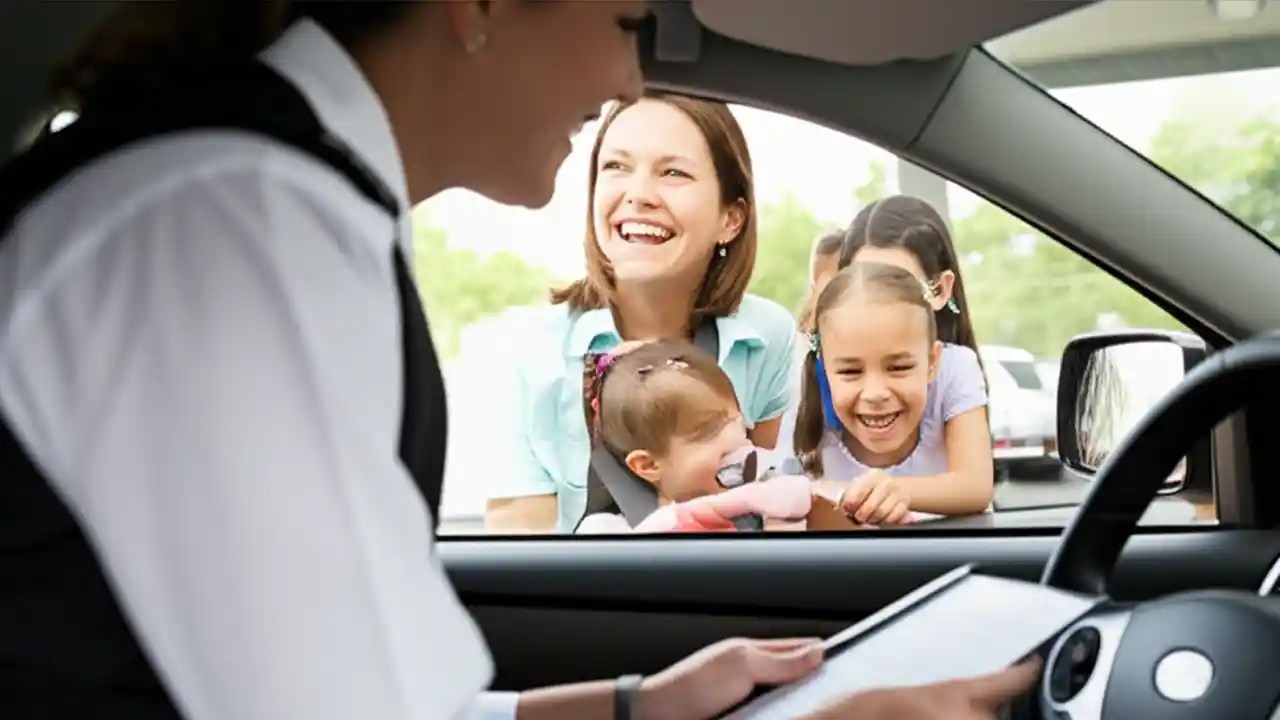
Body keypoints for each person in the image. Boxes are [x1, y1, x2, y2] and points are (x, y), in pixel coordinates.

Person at [0, 1, 1037, 718]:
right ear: (476, 4)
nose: (626, 76)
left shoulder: (274, 201)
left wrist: (638, 706)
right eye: (624, 23)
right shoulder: (238, 221)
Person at [483, 93, 798, 534]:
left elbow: (753, 506)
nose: (639, 195)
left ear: (731, 217)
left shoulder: (765, 337)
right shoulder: (528, 352)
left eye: (673, 172)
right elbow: (523, 567)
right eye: (616, 167)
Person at [794, 263, 995, 524]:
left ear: (932, 363)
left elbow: (976, 487)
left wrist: (898, 491)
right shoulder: (805, 415)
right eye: (850, 372)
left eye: (899, 367)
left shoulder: (956, 370)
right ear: (824, 369)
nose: (876, 393)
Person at [574, 340, 811, 534]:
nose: (735, 440)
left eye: (736, 422)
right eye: (708, 432)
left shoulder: (764, 507)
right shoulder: (611, 534)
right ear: (649, 464)